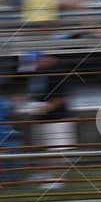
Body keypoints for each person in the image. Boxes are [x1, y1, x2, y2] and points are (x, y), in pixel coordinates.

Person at [22, 51, 76, 189]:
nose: (34, 67)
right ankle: (45, 173)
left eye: (34, 63)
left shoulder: (58, 73)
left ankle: (57, 179)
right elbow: (34, 95)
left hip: (58, 119)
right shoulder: (38, 74)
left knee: (57, 152)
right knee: (43, 151)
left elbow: (62, 97)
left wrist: (45, 107)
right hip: (42, 119)